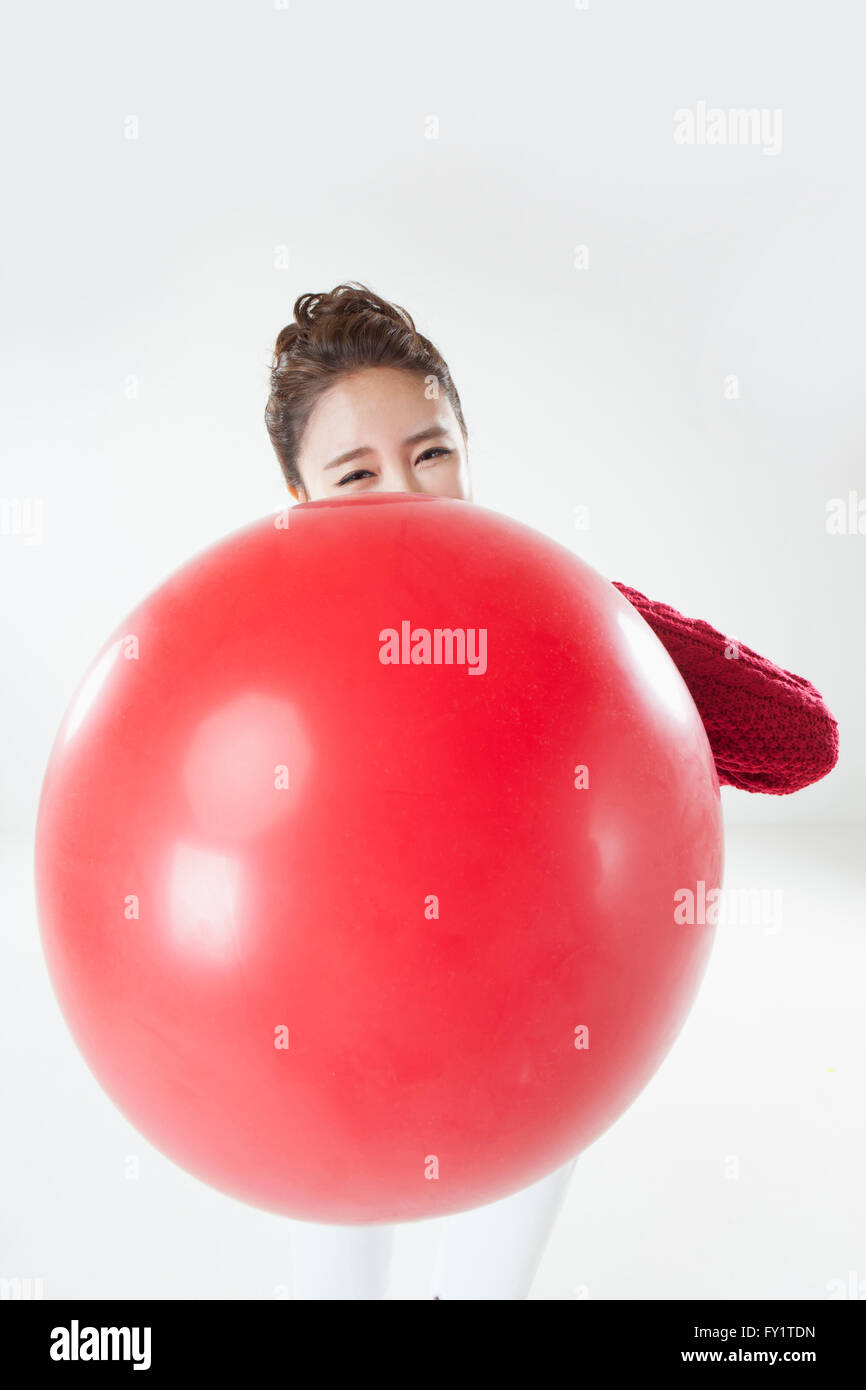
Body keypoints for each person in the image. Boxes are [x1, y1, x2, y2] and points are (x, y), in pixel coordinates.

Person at [264, 283, 839, 1300]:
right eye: (356, 472)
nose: (407, 492)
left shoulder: (552, 612)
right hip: (323, 1038)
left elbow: (799, 744)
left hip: (525, 1025)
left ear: (466, 448)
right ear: (300, 497)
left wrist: (607, 617)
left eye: (430, 451)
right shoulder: (255, 647)